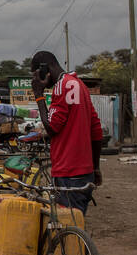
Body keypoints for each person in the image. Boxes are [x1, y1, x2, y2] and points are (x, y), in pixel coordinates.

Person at [30, 50, 103, 214]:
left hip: (67, 171)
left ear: (44, 69)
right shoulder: (80, 85)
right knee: (76, 223)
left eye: (36, 74)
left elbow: (51, 127)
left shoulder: (61, 86)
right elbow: (96, 131)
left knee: (67, 228)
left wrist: (39, 95)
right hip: (85, 173)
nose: (35, 79)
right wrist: (95, 168)